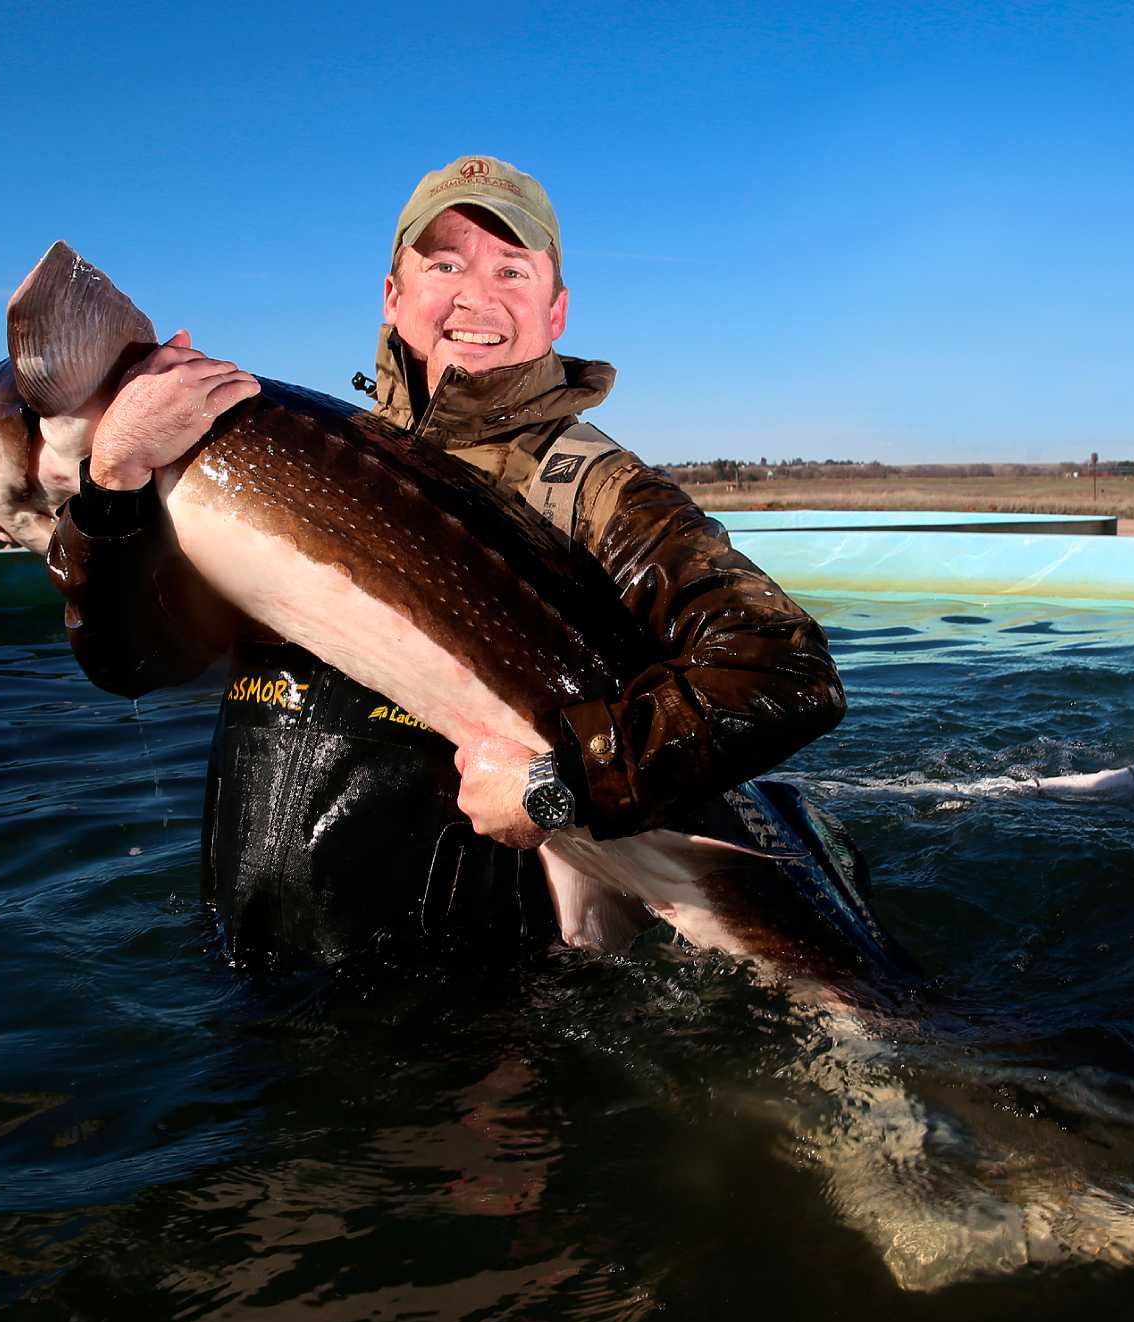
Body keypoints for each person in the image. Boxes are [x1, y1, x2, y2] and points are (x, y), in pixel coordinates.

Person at [47, 155, 849, 970]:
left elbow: (787, 672)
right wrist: (109, 488)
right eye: (446, 265)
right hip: (248, 972)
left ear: (557, 309)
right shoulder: (298, 462)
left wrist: (558, 783)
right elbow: (132, 662)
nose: (477, 296)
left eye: (512, 269)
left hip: (473, 1004)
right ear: (393, 296)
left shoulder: (601, 493)